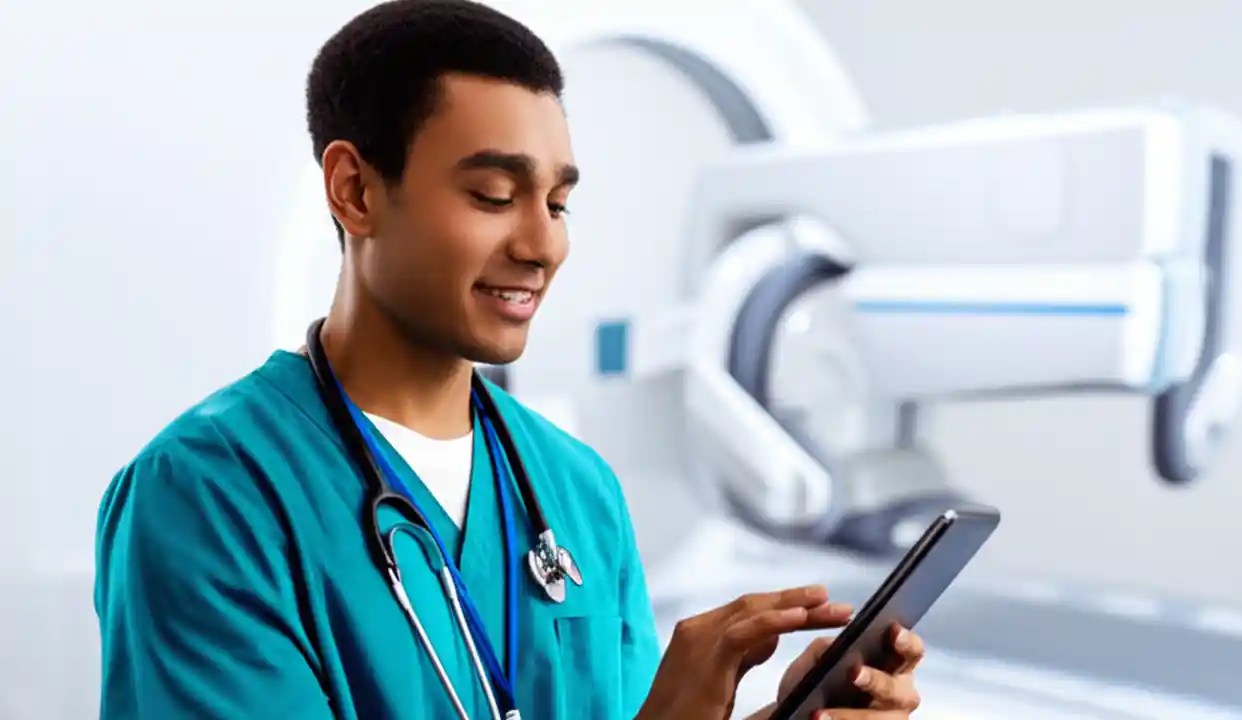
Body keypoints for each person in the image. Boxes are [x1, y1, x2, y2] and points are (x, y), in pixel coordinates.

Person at [93, 1, 926, 719]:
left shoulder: (577, 490)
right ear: (353, 190)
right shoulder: (207, 496)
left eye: (558, 202)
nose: (542, 244)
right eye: (492, 196)